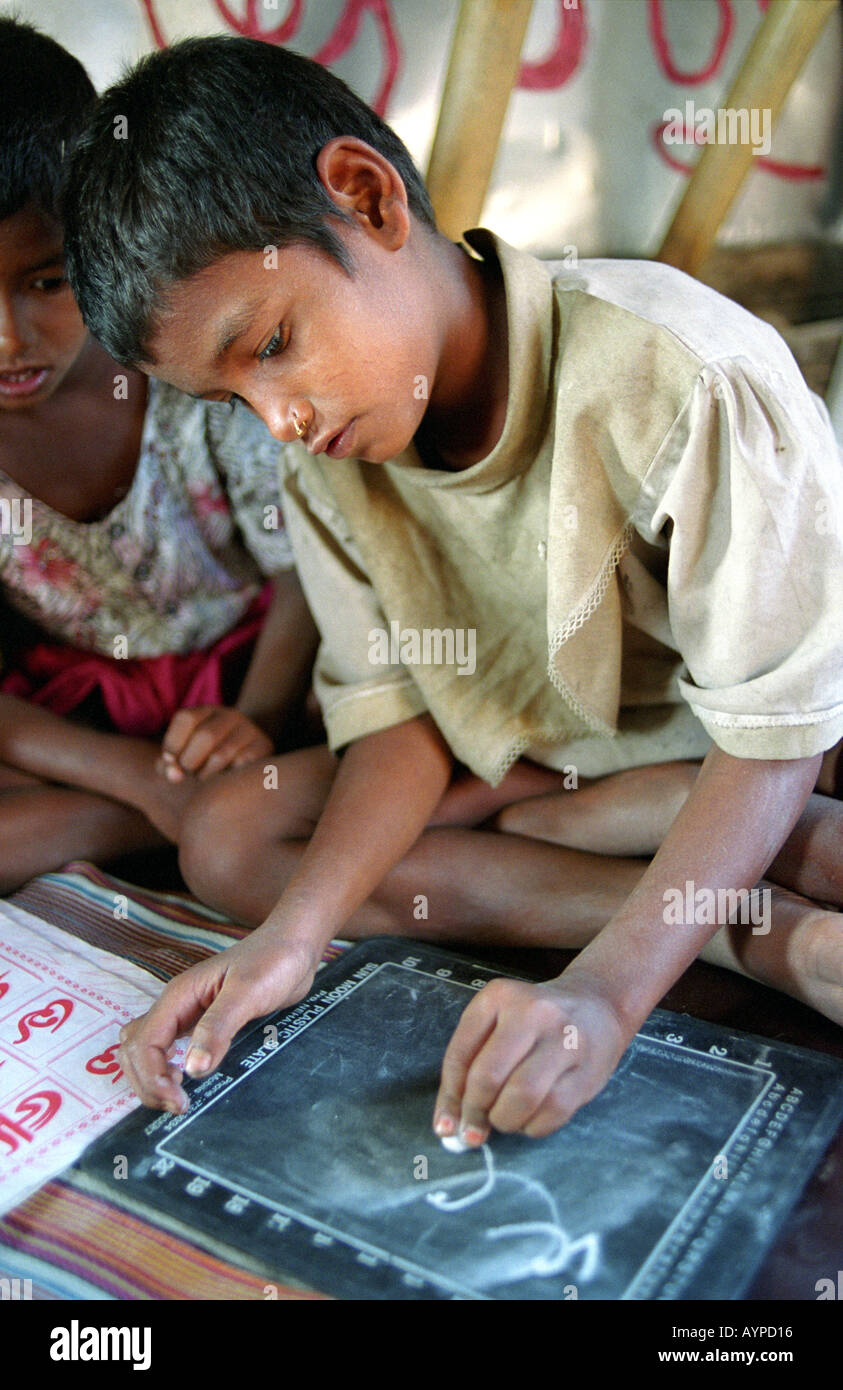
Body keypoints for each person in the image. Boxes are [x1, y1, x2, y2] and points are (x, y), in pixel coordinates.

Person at [62, 36, 843, 1147]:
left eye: (273, 344)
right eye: (230, 398)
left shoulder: (675, 370)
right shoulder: (325, 459)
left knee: (732, 789)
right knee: (232, 842)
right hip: (537, 763)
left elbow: (777, 729)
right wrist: (290, 944)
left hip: (747, 746)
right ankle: (739, 916)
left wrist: (604, 995)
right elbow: (395, 717)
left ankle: (713, 867)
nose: (278, 417)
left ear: (367, 197)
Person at [0, 19, 318, 893]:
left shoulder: (186, 375)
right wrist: (139, 780)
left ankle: (205, 812)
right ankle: (157, 819)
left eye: (46, 281)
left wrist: (256, 718)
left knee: (365, 730)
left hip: (254, 687)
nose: (7, 339)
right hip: (88, 720)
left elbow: (302, 573)